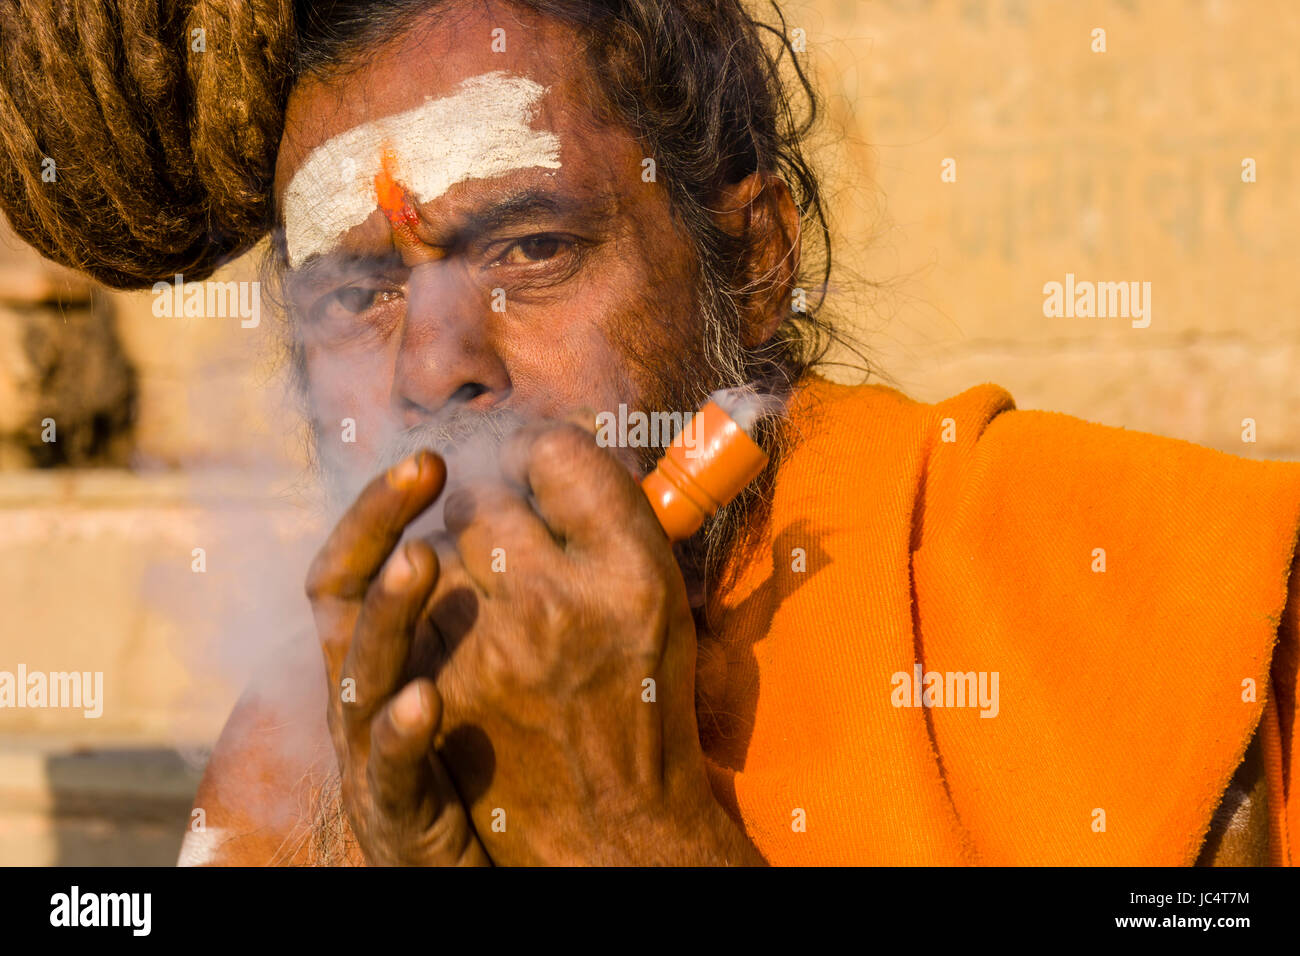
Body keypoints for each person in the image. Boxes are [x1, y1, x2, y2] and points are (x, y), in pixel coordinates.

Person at [1, 0, 1294, 866]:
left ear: (753, 262)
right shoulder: (304, 762)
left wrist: (625, 831)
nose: (434, 366)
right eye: (356, 294)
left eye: (532, 246)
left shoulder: (1102, 604)